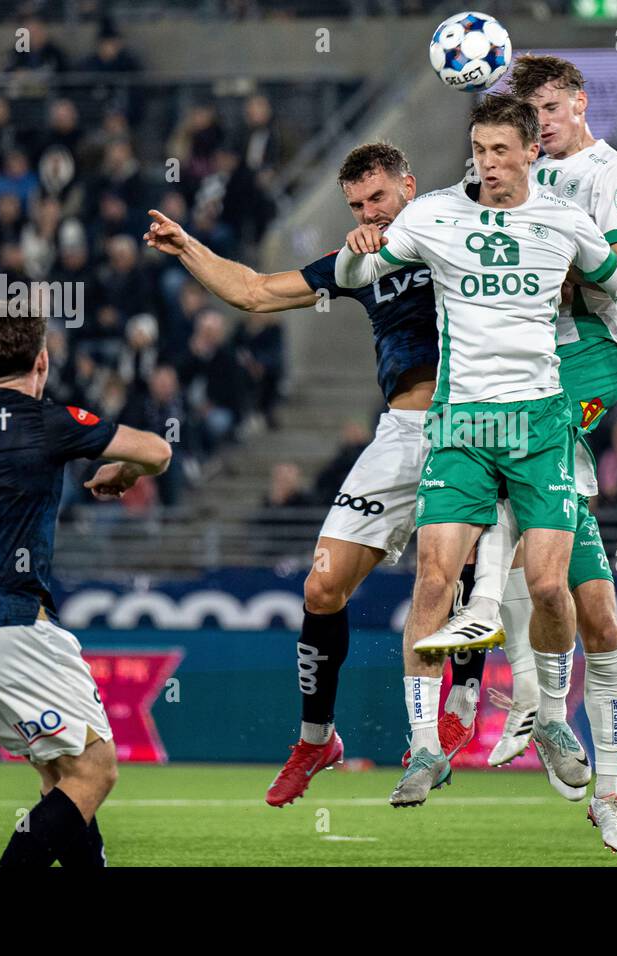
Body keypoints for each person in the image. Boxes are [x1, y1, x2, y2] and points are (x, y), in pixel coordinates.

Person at [334, 94, 617, 835]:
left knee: (553, 586)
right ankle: (424, 744)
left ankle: (550, 716)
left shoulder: (564, 220)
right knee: (432, 577)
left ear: (530, 152)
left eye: (500, 151)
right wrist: (356, 247)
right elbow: (355, 275)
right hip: (460, 424)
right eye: (479, 150)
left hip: (540, 427)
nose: (487, 164)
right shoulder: (430, 214)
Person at [144, 143, 492, 807]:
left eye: (379, 198)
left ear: (410, 186)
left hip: (471, 428)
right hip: (399, 432)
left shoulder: (458, 226)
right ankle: (316, 739)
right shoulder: (360, 263)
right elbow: (252, 292)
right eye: (357, 204)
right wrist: (187, 246)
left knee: (451, 567)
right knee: (323, 585)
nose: (369, 212)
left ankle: (464, 698)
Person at [415, 54, 617, 853]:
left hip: (581, 365)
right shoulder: (516, 175)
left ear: (580, 104)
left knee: (518, 484)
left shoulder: (611, 175)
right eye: (533, 111)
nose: (544, 121)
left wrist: (538, 267)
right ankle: (540, 705)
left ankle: (507, 659)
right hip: (512, 391)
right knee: (590, 607)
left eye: (554, 107)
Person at [0, 315, 172, 867]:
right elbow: (158, 451)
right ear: (42, 361)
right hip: (16, 623)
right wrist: (123, 472)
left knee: (61, 777)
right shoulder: (47, 420)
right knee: (95, 769)